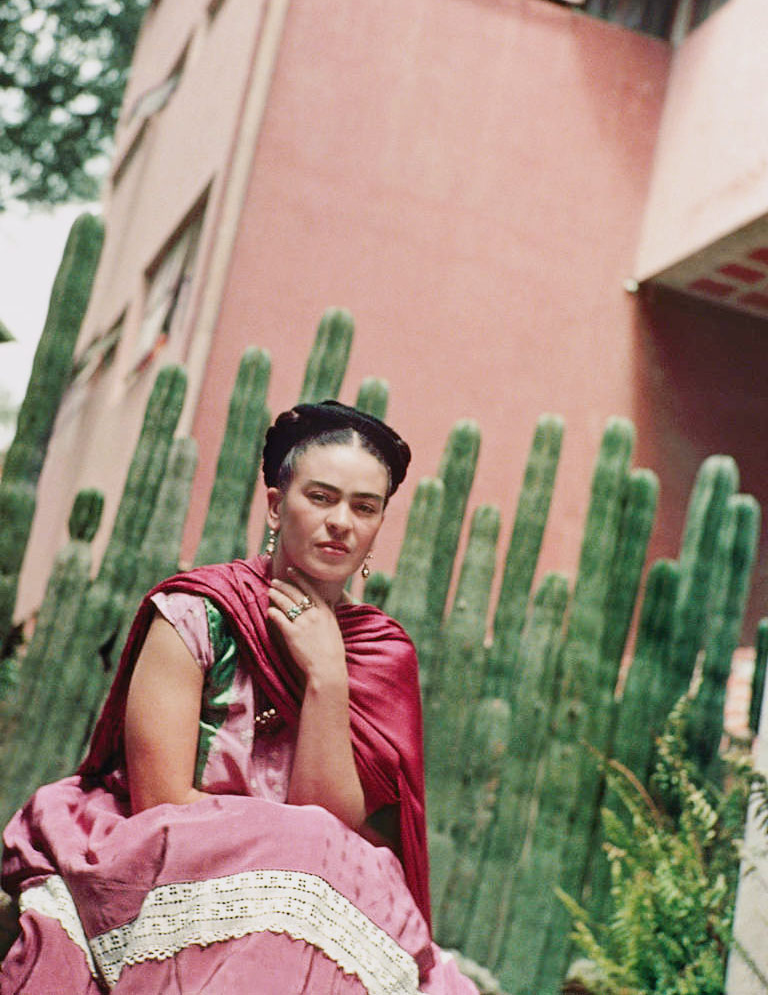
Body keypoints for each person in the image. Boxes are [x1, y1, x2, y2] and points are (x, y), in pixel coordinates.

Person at [1, 401, 479, 994]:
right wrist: (283, 851)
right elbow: (160, 801)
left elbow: (327, 820)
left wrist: (328, 676)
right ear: (276, 505)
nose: (341, 522)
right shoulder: (196, 613)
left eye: (364, 507)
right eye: (321, 497)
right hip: (169, 864)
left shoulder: (380, 654)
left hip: (309, 895)